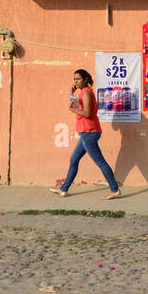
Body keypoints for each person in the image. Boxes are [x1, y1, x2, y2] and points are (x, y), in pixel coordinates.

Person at [52, 68, 121, 199]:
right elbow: (77, 106)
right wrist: (72, 92)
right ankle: (63, 189)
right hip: (85, 132)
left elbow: (87, 114)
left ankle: (114, 189)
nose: (75, 82)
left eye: (78, 79)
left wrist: (73, 111)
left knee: (100, 162)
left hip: (89, 132)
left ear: (86, 80)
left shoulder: (87, 93)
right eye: (74, 79)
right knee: (74, 159)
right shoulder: (83, 92)